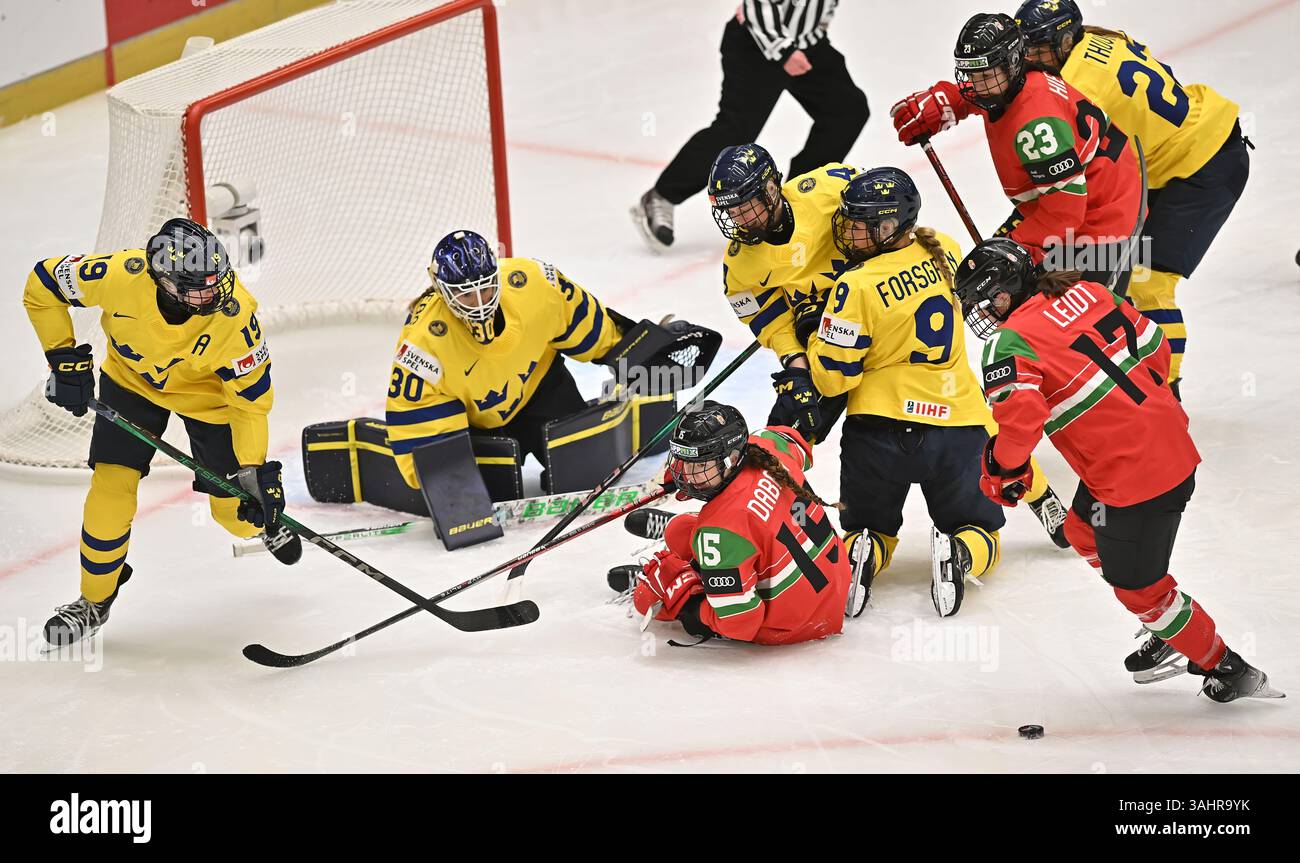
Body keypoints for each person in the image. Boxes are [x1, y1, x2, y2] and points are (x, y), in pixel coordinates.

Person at [955, 238, 1281, 703]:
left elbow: (1021, 421)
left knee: (1142, 591)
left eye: (983, 300)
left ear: (1004, 291)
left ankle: (1225, 665)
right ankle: (1168, 625)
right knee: (1082, 531)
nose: (980, 312)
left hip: (1135, 482)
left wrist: (1003, 469)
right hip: (1163, 448)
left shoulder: (1009, 343)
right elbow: (1156, 348)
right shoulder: (1090, 292)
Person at [796, 168, 1067, 617]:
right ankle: (962, 555)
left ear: (889, 227)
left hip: (877, 432)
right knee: (981, 521)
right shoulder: (946, 248)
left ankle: (862, 553)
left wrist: (814, 332)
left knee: (868, 528)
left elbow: (832, 380)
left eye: (862, 224)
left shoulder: (855, 286)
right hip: (955, 426)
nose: (850, 231)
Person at [24, 218, 298, 646]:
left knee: (233, 515)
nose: (216, 293)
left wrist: (252, 472)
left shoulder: (236, 320)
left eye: (218, 280)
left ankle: (260, 526)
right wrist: (61, 357)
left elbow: (250, 406)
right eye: (199, 288)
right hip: (131, 383)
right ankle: (94, 601)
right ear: (164, 282)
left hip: (210, 403)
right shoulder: (120, 275)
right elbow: (42, 284)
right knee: (110, 490)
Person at [1013, 0, 1251, 397]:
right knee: (1111, 268)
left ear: (1066, 40)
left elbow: (1076, 177)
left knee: (1145, 281)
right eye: (1026, 48)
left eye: (1038, 49)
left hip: (1202, 167)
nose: (1030, 59)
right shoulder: (1099, 41)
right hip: (1183, 150)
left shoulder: (1082, 89)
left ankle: (1165, 390)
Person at [385, 230, 715, 490]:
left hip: (543, 393)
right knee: (488, 494)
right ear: (441, 289)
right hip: (477, 427)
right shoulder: (424, 344)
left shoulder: (532, 283)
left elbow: (590, 327)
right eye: (466, 294)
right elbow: (419, 420)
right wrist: (442, 483)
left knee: (587, 474)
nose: (479, 303)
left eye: (485, 289)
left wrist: (637, 351)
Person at [891, 12, 1141, 295]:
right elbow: (985, 95)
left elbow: (1065, 212)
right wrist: (949, 101)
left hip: (1102, 218)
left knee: (1072, 320)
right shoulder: (1017, 79)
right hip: (1074, 196)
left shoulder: (1037, 126)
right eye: (970, 75)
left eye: (984, 75)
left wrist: (1015, 248)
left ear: (1012, 64)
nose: (976, 86)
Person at [631, 1, 869, 251]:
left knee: (847, 110)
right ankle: (661, 196)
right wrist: (784, 52)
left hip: (807, 44)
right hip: (757, 43)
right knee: (735, 130)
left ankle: (795, 200)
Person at [627, 401, 851, 645]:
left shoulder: (720, 531)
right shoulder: (765, 445)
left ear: (732, 458)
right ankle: (702, 554)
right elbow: (796, 443)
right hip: (834, 580)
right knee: (683, 531)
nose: (686, 474)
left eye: (700, 464)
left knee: (646, 599)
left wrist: (689, 608)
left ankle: (688, 575)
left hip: (792, 626)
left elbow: (741, 623)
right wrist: (691, 471)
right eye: (683, 462)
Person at [707, 143, 857, 442]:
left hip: (878, 323)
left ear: (772, 189)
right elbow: (773, 324)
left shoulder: (829, 189)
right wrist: (796, 367)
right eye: (730, 212)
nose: (738, 220)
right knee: (787, 427)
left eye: (745, 207)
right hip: (819, 338)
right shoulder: (738, 266)